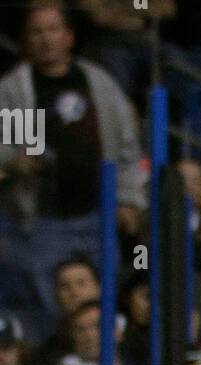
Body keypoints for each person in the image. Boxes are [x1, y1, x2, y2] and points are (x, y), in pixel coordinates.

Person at [0, 2, 145, 339]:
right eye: (37, 32)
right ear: (25, 39)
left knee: (104, 301)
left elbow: (126, 148)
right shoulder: (16, 89)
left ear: (68, 36)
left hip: (98, 215)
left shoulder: (97, 82)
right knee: (51, 309)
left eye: (53, 30)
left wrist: (129, 199)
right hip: (41, 222)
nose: (46, 39)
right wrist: (14, 160)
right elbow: (12, 148)